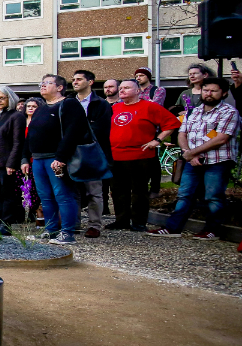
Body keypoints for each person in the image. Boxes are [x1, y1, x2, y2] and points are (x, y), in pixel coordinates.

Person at [151, 78, 237, 240]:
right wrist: (187, 152)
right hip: (192, 160)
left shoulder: (229, 112)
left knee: (214, 196)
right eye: (206, 90)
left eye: (213, 91)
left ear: (224, 93)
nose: (208, 94)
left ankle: (212, 230)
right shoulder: (195, 111)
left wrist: (193, 153)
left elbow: (221, 138)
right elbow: (183, 133)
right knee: (184, 194)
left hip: (217, 161)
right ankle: (173, 228)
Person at [22, 74, 89, 245]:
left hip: (56, 159)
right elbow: (30, 136)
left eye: (47, 83)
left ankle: (67, 232)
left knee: (63, 195)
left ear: (60, 87)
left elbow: (73, 133)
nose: (42, 86)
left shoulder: (69, 104)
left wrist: (61, 157)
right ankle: (51, 231)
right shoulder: (41, 108)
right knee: (45, 197)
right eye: (41, 83)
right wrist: (24, 158)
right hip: (38, 160)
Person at [107, 79, 181, 231]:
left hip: (140, 156)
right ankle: (121, 220)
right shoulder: (115, 108)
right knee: (118, 191)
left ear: (137, 91)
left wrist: (158, 140)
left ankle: (139, 222)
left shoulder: (149, 106)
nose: (122, 91)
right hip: (116, 155)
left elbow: (172, 123)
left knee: (139, 191)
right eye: (120, 88)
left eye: (127, 88)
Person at [71, 70, 113, 238]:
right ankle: (73, 223)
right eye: (73, 80)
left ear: (90, 82)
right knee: (73, 190)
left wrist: (74, 134)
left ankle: (94, 224)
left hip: (93, 153)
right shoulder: (68, 103)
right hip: (72, 153)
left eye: (79, 79)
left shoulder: (101, 104)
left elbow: (101, 130)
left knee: (94, 191)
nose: (75, 82)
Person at [0, 86, 26, 234]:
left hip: (7, 162)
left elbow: (18, 142)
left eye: (2, 98)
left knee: (8, 194)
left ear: (10, 99)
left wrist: (12, 163)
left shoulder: (16, 116)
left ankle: (6, 223)